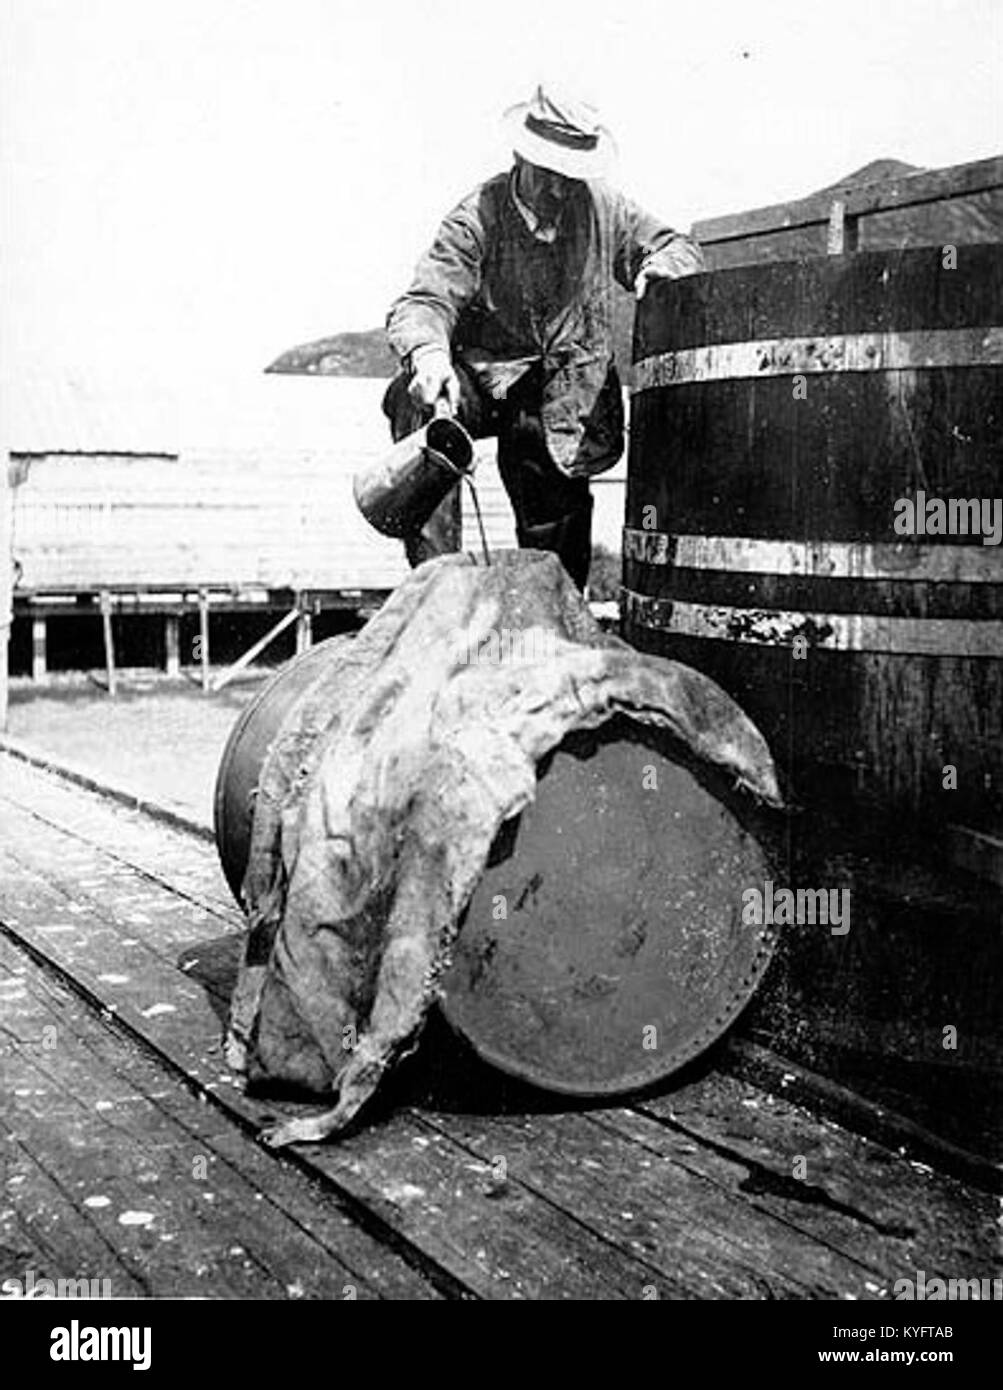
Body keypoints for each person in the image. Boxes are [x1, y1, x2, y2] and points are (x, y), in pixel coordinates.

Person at [383, 84, 705, 589]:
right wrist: (428, 356)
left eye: (572, 175)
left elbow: (676, 245)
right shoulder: (477, 218)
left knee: (558, 555)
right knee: (416, 405)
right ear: (520, 157)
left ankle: (555, 616)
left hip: (565, 398)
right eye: (550, 173)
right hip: (485, 382)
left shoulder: (605, 210)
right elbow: (425, 300)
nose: (561, 188)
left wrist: (661, 265)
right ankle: (435, 590)